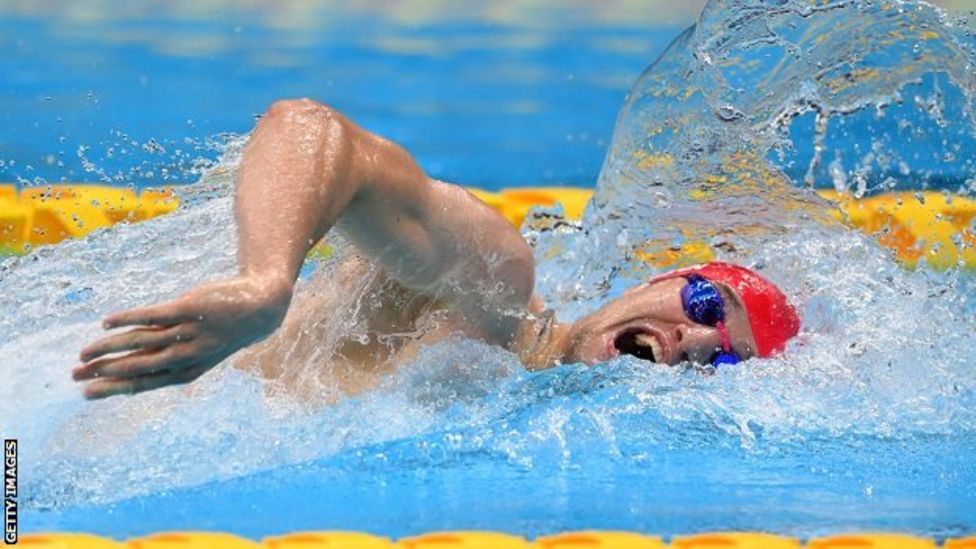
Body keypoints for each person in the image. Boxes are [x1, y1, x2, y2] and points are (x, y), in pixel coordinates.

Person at [72, 99, 801, 400]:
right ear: (661, 279)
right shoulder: (494, 282)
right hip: (80, 413)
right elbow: (311, 128)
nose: (691, 338)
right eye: (707, 303)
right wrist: (266, 282)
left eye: (722, 355)